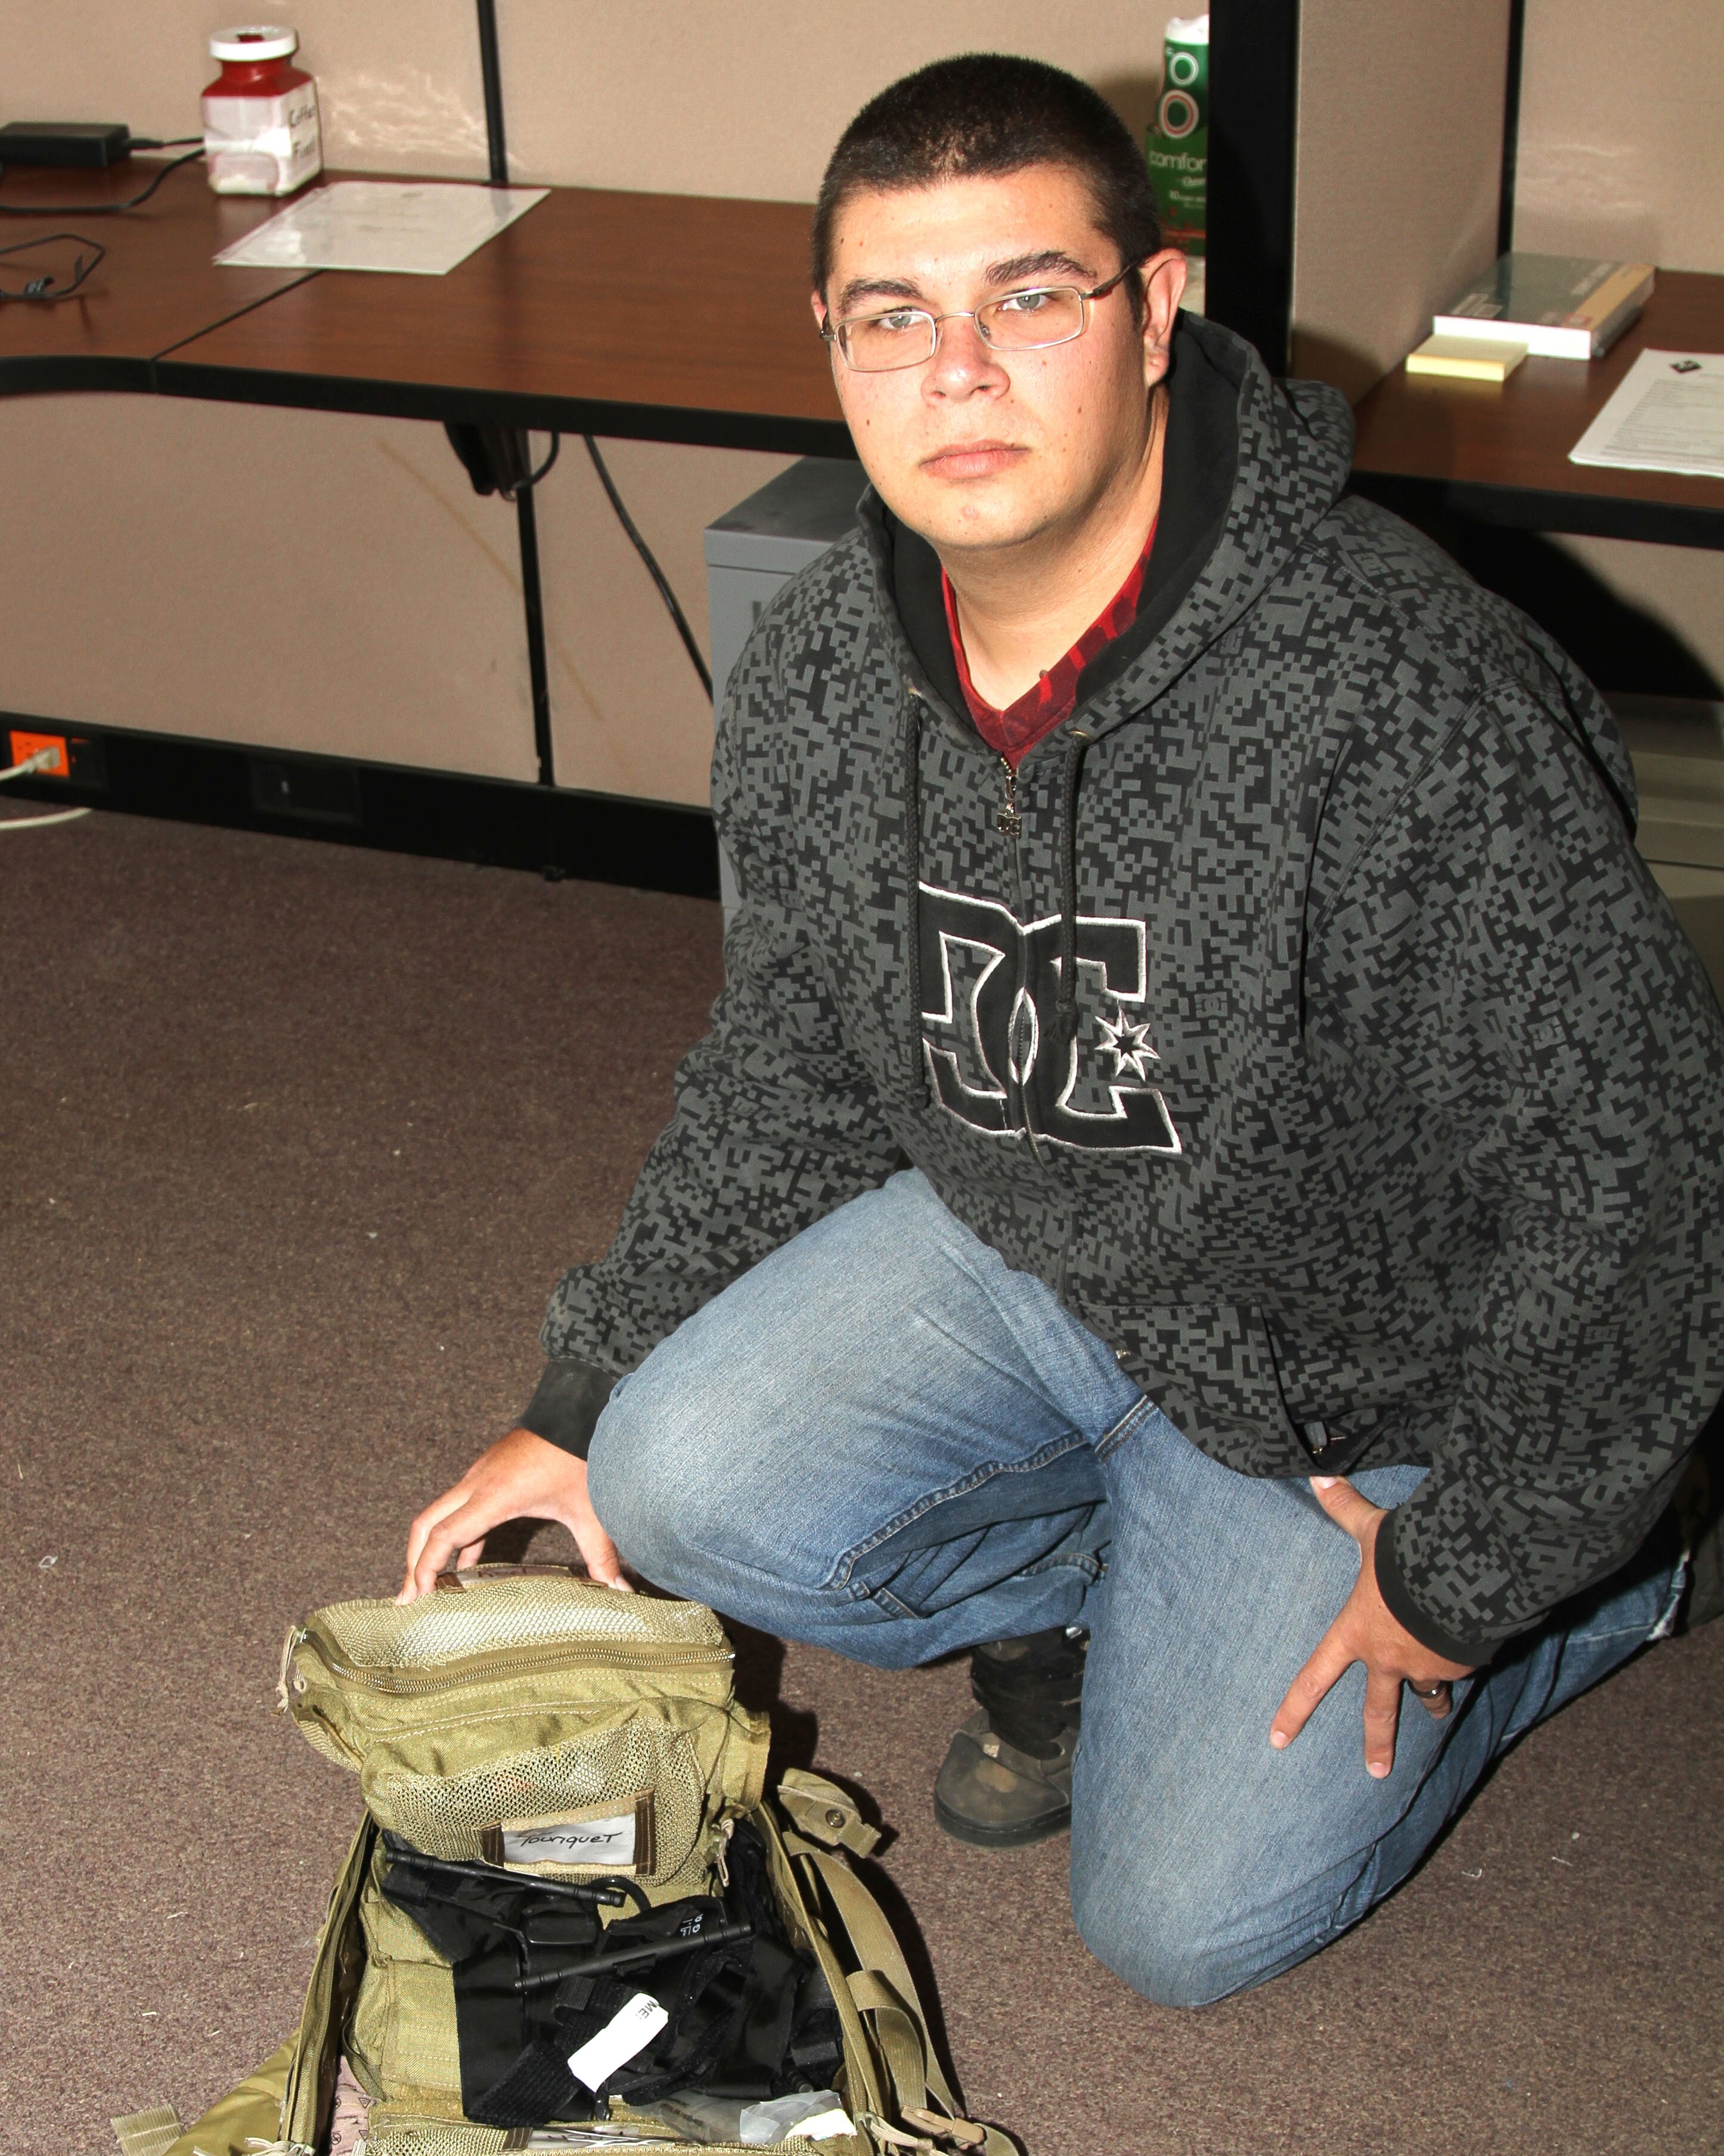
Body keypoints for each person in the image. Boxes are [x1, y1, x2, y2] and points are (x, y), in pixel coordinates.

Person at [402, 55, 1724, 2008]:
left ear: (1157, 309)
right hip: (1039, 1246)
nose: (957, 373)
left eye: (1028, 299)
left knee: (1177, 1926)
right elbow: (797, 1055)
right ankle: (1103, 1584)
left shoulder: (1388, 697)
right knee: (681, 1483)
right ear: (829, 346)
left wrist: (1470, 1578)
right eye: (892, 317)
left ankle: (1620, 1572)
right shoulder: (826, 672)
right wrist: (577, 1391)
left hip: (1361, 1377)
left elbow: (1641, 1192)